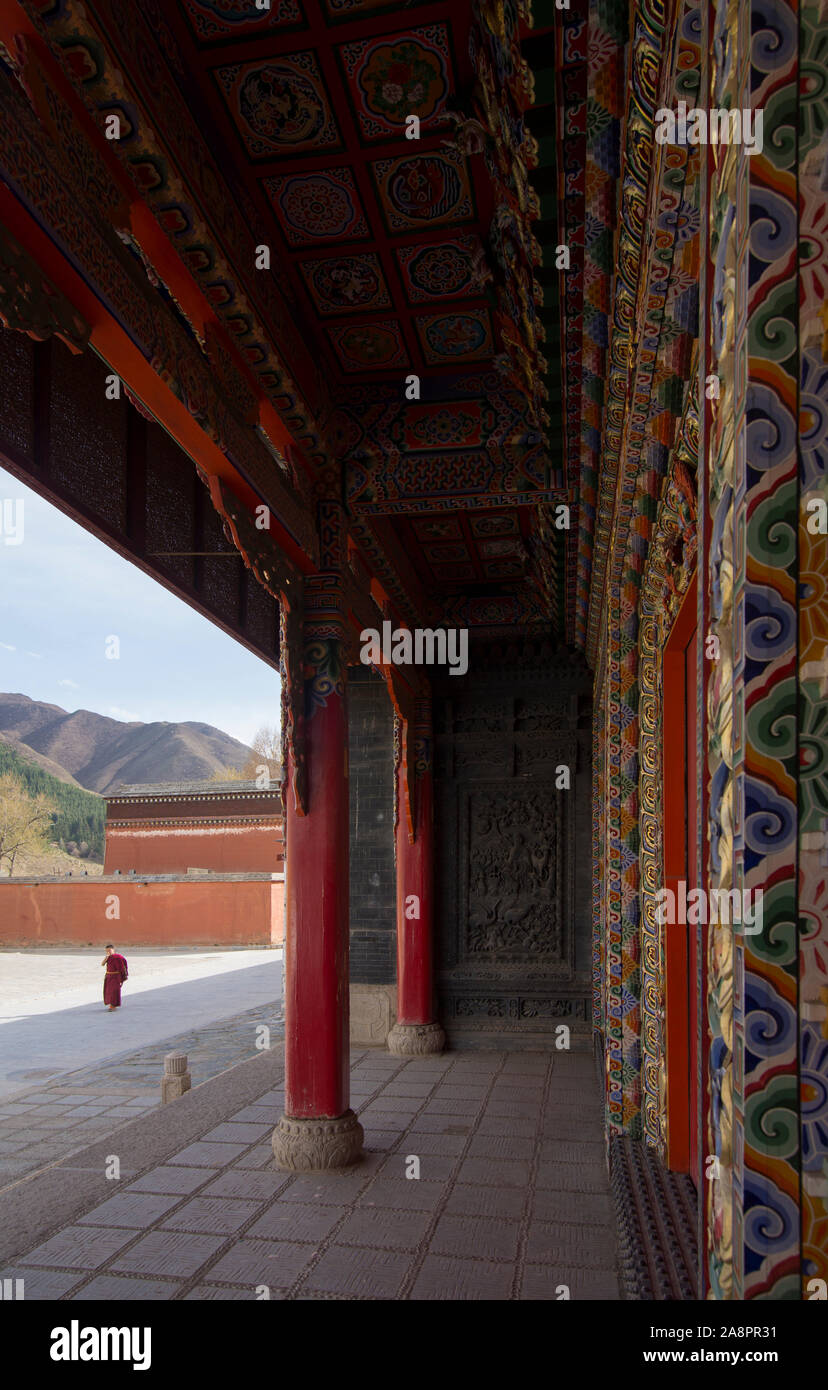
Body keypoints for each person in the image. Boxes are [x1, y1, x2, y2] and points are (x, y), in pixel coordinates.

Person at [101, 944, 128, 1012]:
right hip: (108, 976)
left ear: (113, 950)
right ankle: (111, 1004)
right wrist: (106, 957)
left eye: (109, 950)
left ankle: (113, 1006)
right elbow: (102, 964)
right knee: (108, 991)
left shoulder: (118, 957)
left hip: (115, 977)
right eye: (107, 951)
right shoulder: (108, 957)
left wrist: (123, 976)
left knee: (114, 991)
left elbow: (122, 966)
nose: (108, 952)